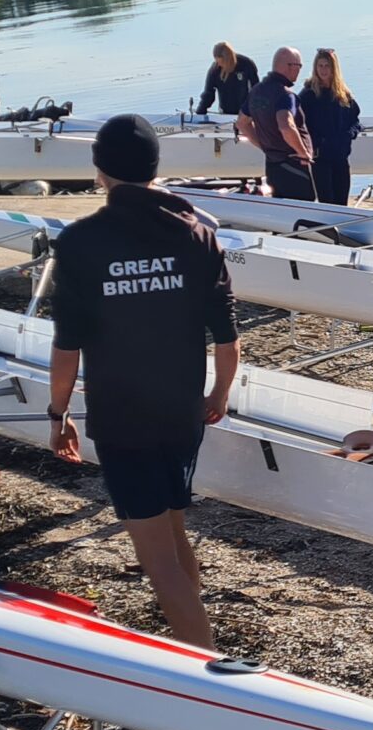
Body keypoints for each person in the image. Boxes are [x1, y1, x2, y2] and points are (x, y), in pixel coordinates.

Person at [47, 115, 242, 656]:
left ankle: (211, 683)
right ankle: (195, 632)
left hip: (123, 419)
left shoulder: (81, 242)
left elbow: (67, 346)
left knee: (156, 559)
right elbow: (227, 335)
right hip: (182, 412)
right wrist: (219, 395)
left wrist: (57, 412)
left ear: (100, 171)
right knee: (173, 534)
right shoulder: (197, 234)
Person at [239, 46, 316, 201]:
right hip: (293, 164)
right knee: (304, 209)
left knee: (282, 206)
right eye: (298, 66)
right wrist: (303, 153)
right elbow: (286, 126)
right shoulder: (285, 95)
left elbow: (242, 123)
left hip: (272, 165)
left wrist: (263, 145)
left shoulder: (257, 91)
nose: (299, 70)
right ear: (289, 66)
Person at [296, 48, 362, 207]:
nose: (323, 70)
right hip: (320, 158)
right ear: (315, 68)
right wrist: (314, 143)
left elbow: (356, 120)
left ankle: (342, 230)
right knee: (327, 202)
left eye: (327, 66)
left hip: (341, 157)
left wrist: (350, 134)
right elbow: (298, 124)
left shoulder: (342, 94)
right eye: (320, 66)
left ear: (334, 68)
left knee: (342, 202)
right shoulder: (308, 94)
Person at [194, 41, 258, 122]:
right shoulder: (215, 70)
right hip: (225, 115)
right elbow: (208, 94)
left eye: (220, 62)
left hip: (246, 114)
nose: (219, 64)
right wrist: (199, 113)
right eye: (216, 61)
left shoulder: (246, 64)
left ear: (227, 58)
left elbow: (256, 90)